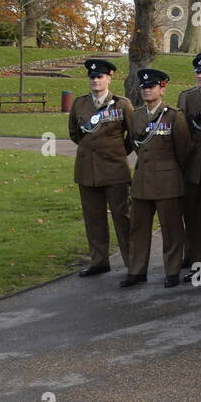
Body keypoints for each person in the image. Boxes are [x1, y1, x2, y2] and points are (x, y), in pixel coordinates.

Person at [123, 69, 192, 288]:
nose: (146, 91)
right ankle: (136, 270)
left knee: (171, 229)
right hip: (142, 181)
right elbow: (136, 144)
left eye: (151, 87)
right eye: (144, 87)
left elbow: (183, 150)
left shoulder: (173, 115)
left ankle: (172, 271)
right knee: (138, 228)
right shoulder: (137, 114)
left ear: (162, 89)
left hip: (167, 182)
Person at [68, 58, 134, 277]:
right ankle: (99, 261)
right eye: (92, 77)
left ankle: (132, 263)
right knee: (93, 218)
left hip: (115, 171)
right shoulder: (79, 104)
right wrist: (91, 151)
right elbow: (75, 133)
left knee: (122, 217)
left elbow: (133, 137)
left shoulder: (122, 104)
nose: (95, 80)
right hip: (87, 171)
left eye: (100, 77)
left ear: (109, 78)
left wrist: (116, 153)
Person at [177, 53, 201, 283]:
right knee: (193, 217)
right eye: (197, 72)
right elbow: (182, 134)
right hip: (193, 163)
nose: (200, 76)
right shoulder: (187, 97)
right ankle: (198, 264)